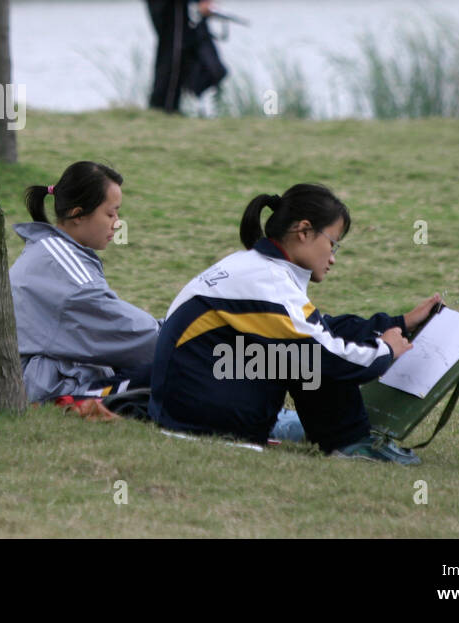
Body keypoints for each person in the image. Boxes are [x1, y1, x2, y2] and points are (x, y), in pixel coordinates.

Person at [149, 183, 441, 464]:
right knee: (313, 358)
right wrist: (386, 351)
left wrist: (399, 323)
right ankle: (352, 445)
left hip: (187, 409)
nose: (333, 259)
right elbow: (326, 355)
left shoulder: (257, 268)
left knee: (306, 350)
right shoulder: (267, 281)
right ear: (303, 231)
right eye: (333, 244)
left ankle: (349, 441)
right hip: (199, 424)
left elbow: (321, 328)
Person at [9, 161, 160, 414]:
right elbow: (138, 338)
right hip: (50, 388)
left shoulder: (51, 249)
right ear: (78, 215)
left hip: (46, 375)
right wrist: (180, 335)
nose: (117, 223)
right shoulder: (63, 267)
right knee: (165, 370)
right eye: (110, 214)